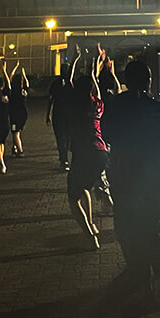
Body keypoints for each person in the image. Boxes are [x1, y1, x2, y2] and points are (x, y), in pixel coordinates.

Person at [103, 59, 160, 304]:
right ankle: (159, 278)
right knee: (150, 229)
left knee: (125, 228)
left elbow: (107, 136)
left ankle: (137, 270)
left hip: (124, 176)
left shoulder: (116, 107)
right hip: (154, 177)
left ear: (126, 81)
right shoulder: (159, 109)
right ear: (149, 81)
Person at [65, 52, 108, 250]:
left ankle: (90, 236)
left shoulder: (74, 104)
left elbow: (69, 80)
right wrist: (93, 71)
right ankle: (92, 223)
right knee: (84, 188)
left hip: (82, 153)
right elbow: (95, 88)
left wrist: (75, 60)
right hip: (100, 152)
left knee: (73, 198)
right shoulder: (97, 104)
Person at [46, 69, 72, 170]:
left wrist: (48, 114)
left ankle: (63, 158)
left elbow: (50, 100)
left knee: (61, 137)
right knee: (67, 136)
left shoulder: (55, 83)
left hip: (58, 113)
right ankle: (64, 157)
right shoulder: (71, 83)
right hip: (68, 114)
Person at [8, 63, 30, 156]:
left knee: (15, 133)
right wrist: (24, 75)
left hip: (14, 114)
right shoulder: (23, 90)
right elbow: (27, 83)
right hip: (23, 114)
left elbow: (9, 78)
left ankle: (20, 151)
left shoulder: (12, 90)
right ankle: (15, 148)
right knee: (17, 132)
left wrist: (15, 67)